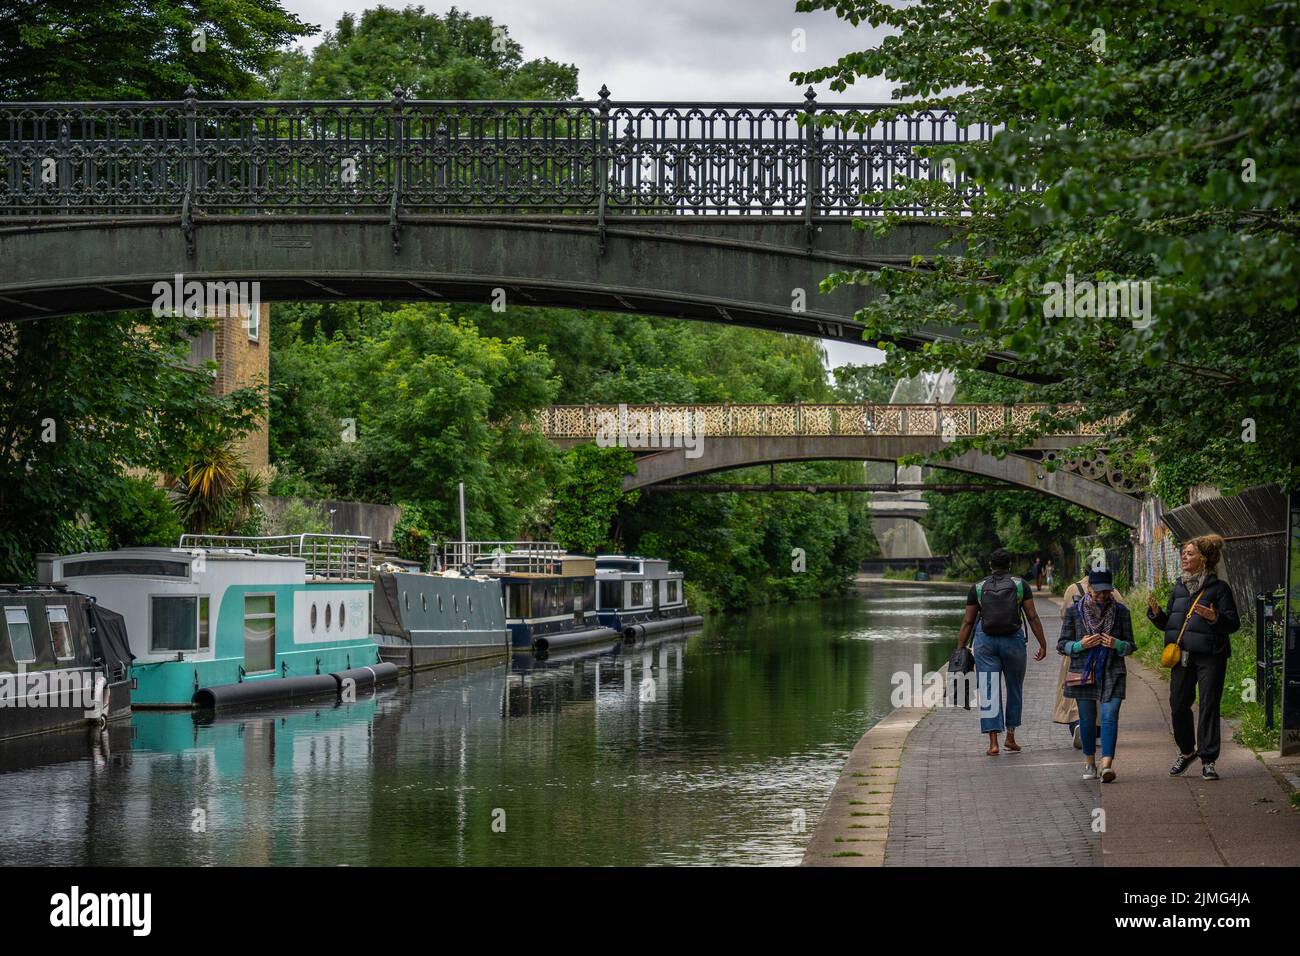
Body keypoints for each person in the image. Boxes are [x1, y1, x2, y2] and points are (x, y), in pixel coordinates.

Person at [1147, 534, 1240, 780]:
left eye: (1189, 553)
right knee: (1178, 705)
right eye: (1183, 554)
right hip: (1182, 656)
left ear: (1204, 559)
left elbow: (1232, 623)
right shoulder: (1178, 587)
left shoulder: (1219, 589)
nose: (1184, 557)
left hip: (1211, 655)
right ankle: (1187, 752)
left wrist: (1213, 618)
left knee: (1208, 705)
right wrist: (1157, 615)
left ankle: (1208, 760)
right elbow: (1172, 625)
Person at [954, 548, 1048, 756]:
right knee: (1014, 687)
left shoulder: (978, 588)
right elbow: (1032, 616)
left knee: (989, 689)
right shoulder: (1019, 585)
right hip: (1013, 641)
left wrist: (960, 649)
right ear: (1009, 565)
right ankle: (1011, 737)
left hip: (985, 642)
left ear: (990, 565)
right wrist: (1042, 643)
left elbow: (968, 621)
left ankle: (993, 743)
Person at [1058, 570, 1136, 782]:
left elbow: (1131, 646)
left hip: (1113, 669)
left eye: (1107, 592)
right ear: (1089, 588)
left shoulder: (1121, 612)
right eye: (1099, 592)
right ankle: (1090, 762)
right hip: (1083, 670)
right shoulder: (1075, 612)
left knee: (1110, 716)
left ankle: (1106, 765)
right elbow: (1062, 644)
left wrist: (1117, 644)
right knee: (1087, 718)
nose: (1103, 596)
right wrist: (1078, 645)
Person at [1054, 575, 1123, 748]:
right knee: (1100, 698)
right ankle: (1093, 730)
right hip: (1105, 654)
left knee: (1076, 691)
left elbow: (1064, 616)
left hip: (1078, 651)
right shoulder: (1114, 592)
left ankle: (1079, 725)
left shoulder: (1072, 589)